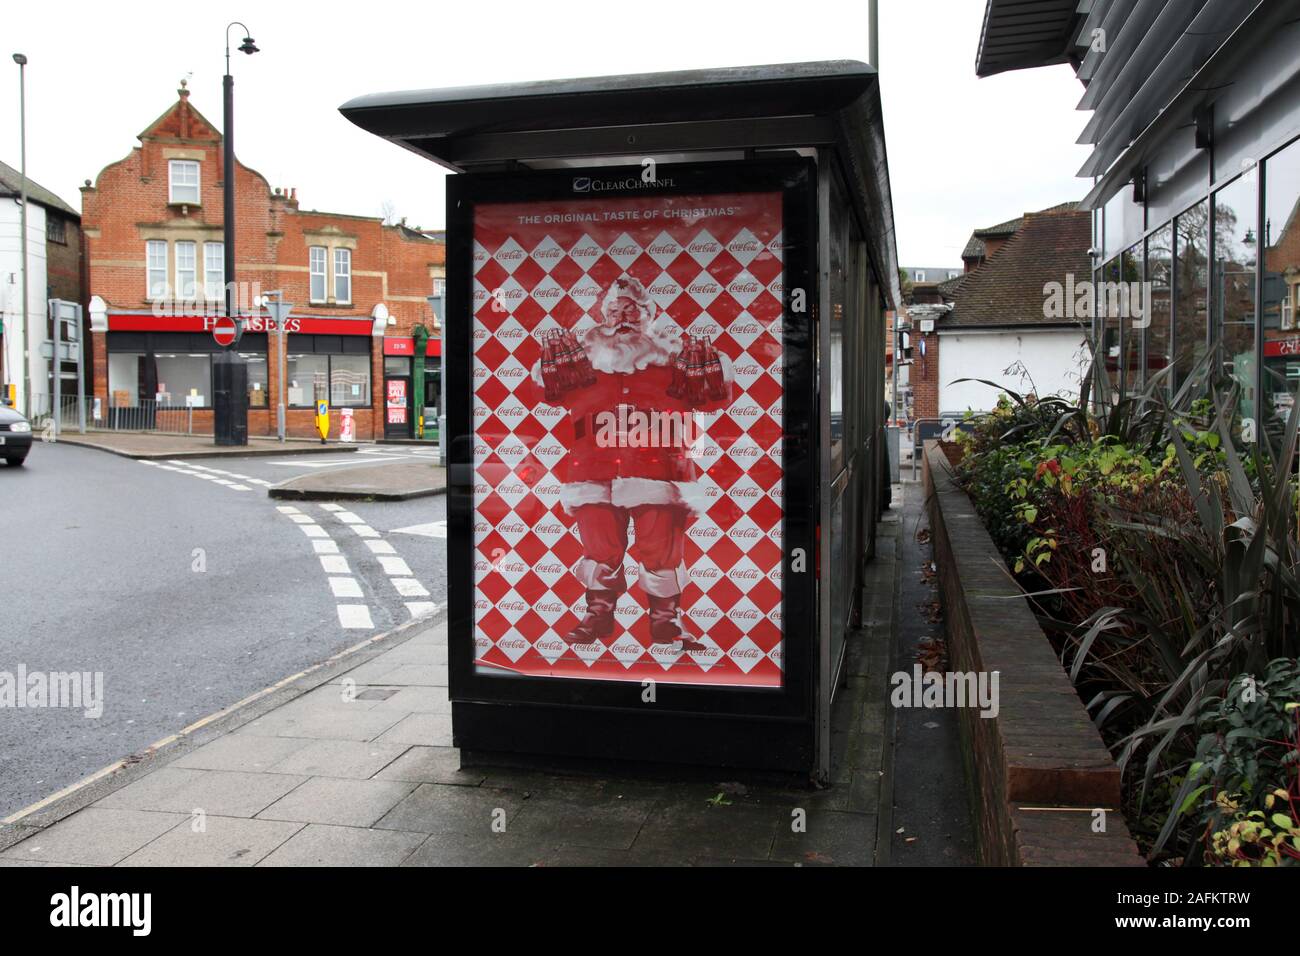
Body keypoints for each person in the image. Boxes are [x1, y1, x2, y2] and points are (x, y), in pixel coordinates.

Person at [529, 275, 732, 648]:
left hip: (659, 473)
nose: (621, 317)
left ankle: (665, 622)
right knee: (599, 549)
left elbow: (714, 400)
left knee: (661, 550)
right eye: (614, 310)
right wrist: (548, 369)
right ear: (603, 314)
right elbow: (544, 393)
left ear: (648, 315)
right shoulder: (580, 361)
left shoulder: (676, 357)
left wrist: (714, 367)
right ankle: (598, 616)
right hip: (593, 471)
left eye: (631, 310)